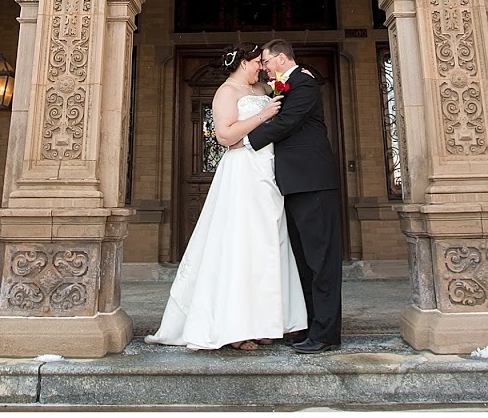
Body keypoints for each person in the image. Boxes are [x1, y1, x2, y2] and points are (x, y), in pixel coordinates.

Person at [145, 44, 308, 351]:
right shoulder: (226, 92)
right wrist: (261, 115)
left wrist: (301, 77)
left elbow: (287, 90)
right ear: (243, 63)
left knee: (268, 244)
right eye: (257, 62)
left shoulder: (262, 87)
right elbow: (224, 136)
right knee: (241, 245)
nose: (261, 67)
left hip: (268, 170)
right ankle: (235, 329)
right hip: (243, 171)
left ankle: (266, 322)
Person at [246, 39, 344, 352]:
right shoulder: (281, 86)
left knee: (321, 260)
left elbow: (288, 122)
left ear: (281, 57)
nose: (262, 66)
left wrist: (245, 140)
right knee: (304, 260)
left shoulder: (304, 83)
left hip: (314, 182)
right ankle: (312, 327)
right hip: (293, 183)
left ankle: (326, 334)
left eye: (265, 60)